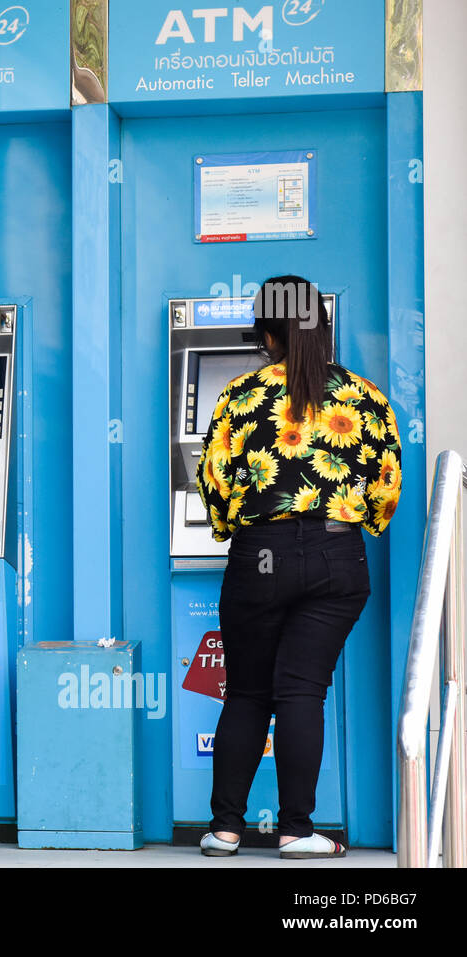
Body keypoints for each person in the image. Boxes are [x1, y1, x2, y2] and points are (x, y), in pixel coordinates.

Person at [195, 275, 402, 860]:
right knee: (302, 692)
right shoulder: (362, 396)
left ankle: (225, 831)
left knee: (247, 693)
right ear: (324, 328)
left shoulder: (239, 394)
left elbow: (213, 480)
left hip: (260, 554)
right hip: (337, 556)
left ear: (267, 333)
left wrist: (237, 525)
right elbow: (386, 483)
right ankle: (296, 832)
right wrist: (357, 518)